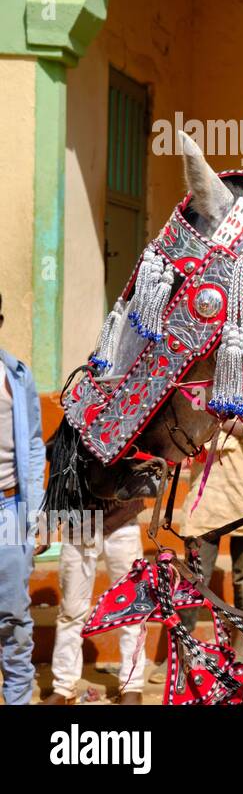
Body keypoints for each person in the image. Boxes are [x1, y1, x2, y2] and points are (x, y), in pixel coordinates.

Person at [177, 420, 243, 663]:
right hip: (210, 490)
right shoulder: (203, 384)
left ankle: (240, 646)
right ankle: (183, 652)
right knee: (194, 579)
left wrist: (231, 422)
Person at [43, 497, 145, 704]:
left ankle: (132, 684)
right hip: (79, 519)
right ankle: (64, 687)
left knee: (132, 609)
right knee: (70, 610)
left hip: (121, 516)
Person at [0, 291, 45, 707]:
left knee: (14, 617)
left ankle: (17, 701)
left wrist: (34, 513)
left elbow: (32, 443)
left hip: (10, 508)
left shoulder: (16, 374)